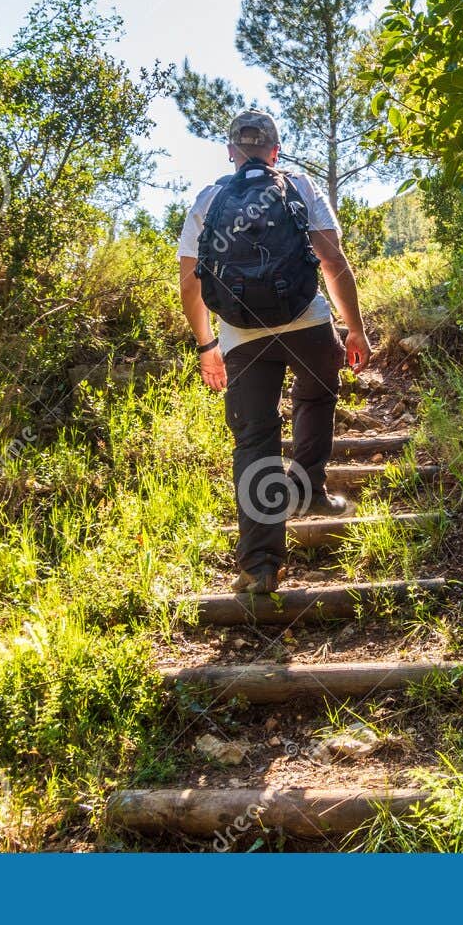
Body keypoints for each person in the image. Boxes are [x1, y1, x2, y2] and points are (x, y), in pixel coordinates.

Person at [177, 110, 371, 593]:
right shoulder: (299, 185)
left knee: (254, 439)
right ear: (275, 150)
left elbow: (189, 282)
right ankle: (308, 489)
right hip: (306, 321)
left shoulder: (209, 198)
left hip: (242, 336)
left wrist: (207, 345)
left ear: (230, 153)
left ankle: (260, 565)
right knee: (317, 391)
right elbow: (333, 260)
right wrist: (354, 330)